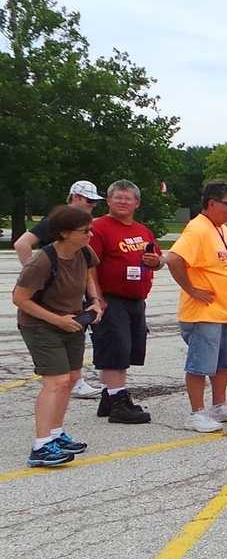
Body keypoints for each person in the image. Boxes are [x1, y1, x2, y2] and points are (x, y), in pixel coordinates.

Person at [13, 205, 105, 466]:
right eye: (85, 231)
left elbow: (88, 278)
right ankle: (40, 446)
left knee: (70, 379)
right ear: (64, 233)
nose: (90, 235)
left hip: (72, 321)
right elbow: (19, 299)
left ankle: (55, 433)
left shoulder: (84, 252)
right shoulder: (42, 260)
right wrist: (57, 320)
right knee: (55, 381)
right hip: (41, 325)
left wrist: (95, 301)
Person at [162, 181, 227, 433]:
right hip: (203, 313)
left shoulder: (221, 228)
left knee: (223, 363)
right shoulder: (197, 229)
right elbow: (174, 259)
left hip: (225, 310)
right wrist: (191, 290)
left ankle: (218, 406)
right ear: (211, 203)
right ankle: (196, 413)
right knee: (200, 364)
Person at [15, 180, 106, 400]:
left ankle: (77, 380)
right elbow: (21, 244)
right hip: (46, 306)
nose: (93, 205)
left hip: (70, 299)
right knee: (56, 378)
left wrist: (93, 297)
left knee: (72, 343)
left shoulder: (83, 238)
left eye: (95, 201)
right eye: (89, 200)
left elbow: (88, 269)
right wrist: (37, 273)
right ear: (75, 197)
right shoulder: (58, 222)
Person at [88, 180, 156, 424]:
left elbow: (155, 258)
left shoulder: (143, 230)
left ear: (137, 203)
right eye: (117, 197)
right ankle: (119, 404)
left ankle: (108, 397)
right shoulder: (98, 228)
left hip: (136, 300)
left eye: (128, 198)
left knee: (127, 350)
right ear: (108, 200)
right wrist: (96, 298)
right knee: (114, 350)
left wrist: (155, 262)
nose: (122, 202)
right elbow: (89, 266)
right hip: (111, 299)